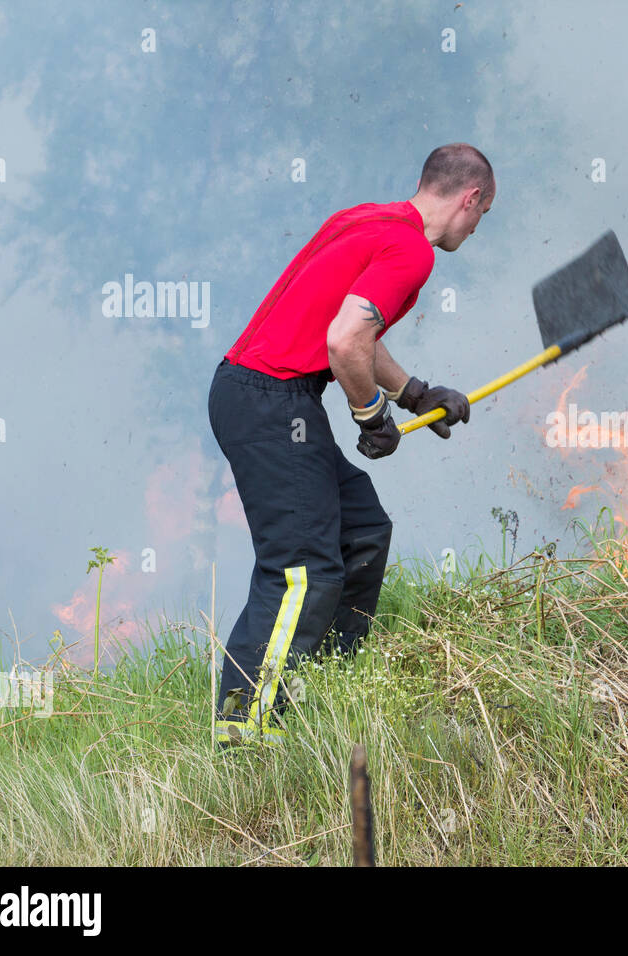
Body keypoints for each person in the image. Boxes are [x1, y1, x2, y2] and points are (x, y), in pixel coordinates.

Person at [208, 143, 494, 746]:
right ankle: (244, 731)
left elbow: (355, 329)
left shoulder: (364, 219)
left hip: (261, 395)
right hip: (271, 400)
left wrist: (415, 394)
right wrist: (371, 415)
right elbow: (345, 342)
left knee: (360, 530)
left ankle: (318, 690)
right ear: (470, 199)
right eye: (482, 215)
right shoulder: (412, 251)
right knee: (302, 568)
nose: (475, 229)